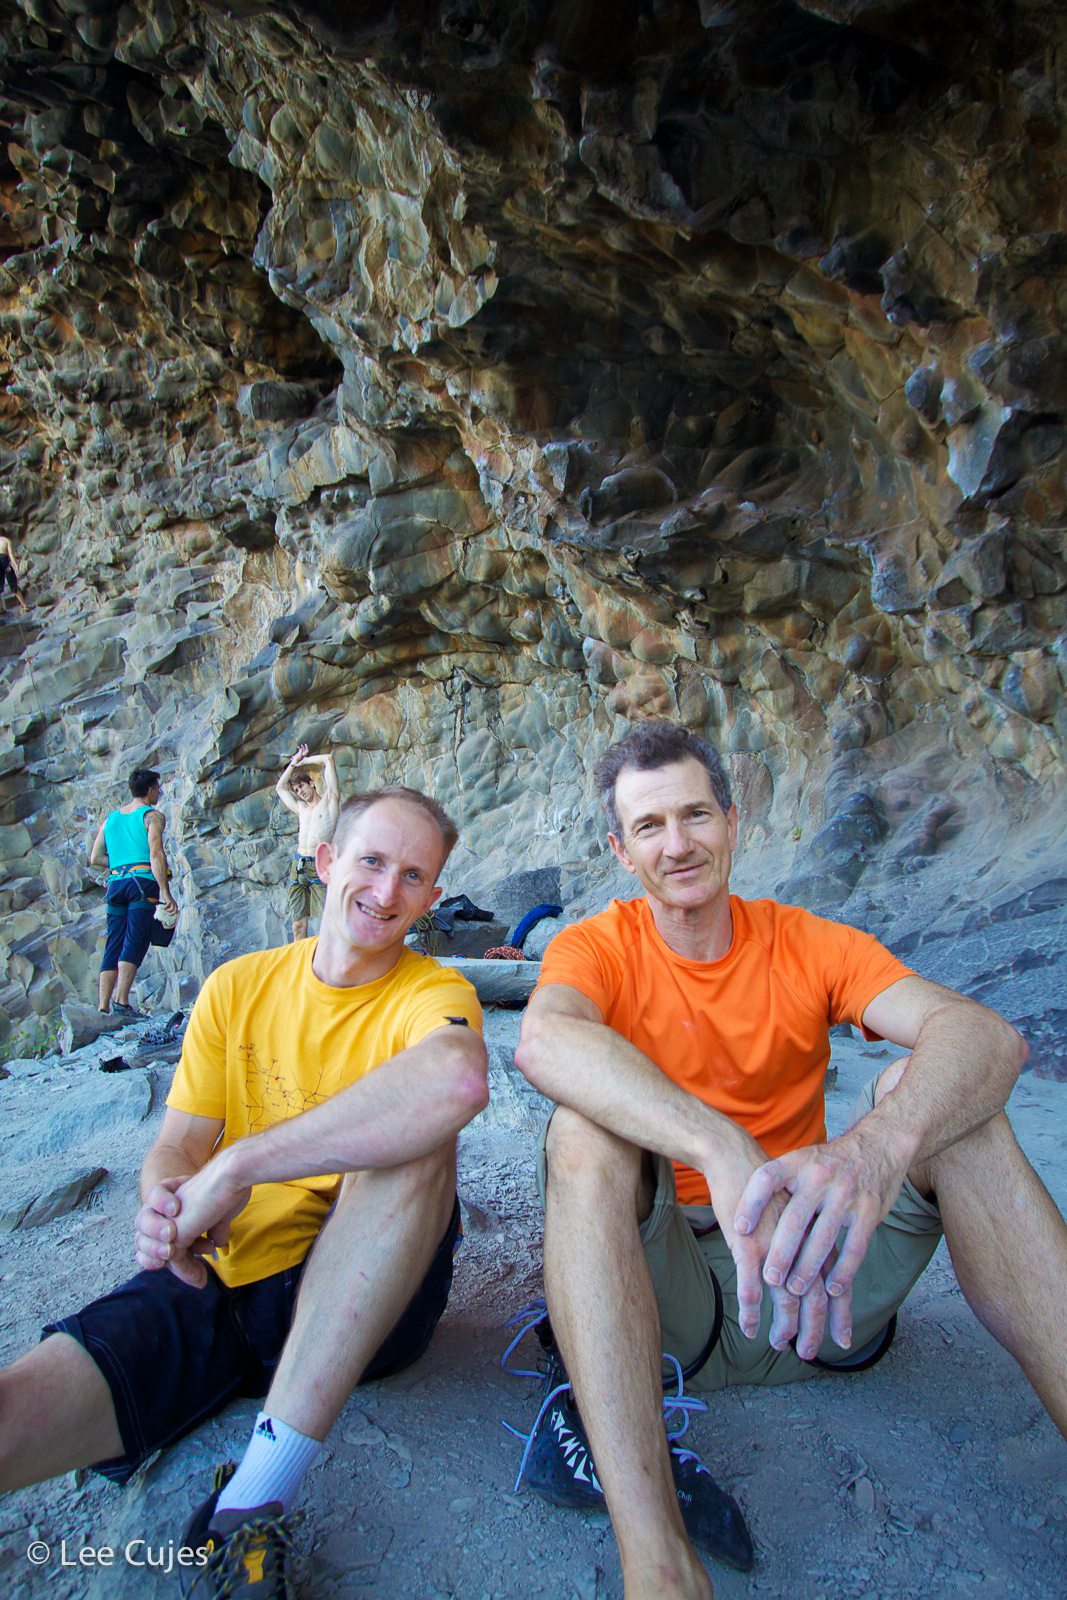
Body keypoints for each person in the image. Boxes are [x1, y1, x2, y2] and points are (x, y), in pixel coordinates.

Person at [514, 720, 1067, 1600]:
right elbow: (543, 1043)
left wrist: (875, 1148)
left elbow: (984, 1039)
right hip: (673, 1310)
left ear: (734, 823)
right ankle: (656, 1564)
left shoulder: (807, 942)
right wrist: (719, 1145)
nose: (678, 843)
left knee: (954, 1112)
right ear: (620, 851)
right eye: (649, 827)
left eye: (695, 815)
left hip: (823, 1278)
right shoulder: (598, 946)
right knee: (580, 1132)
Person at [0, 785, 488, 1599]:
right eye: (370, 861)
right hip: (217, 1276)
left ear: (432, 898)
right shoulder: (238, 985)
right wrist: (166, 1202)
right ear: (326, 860)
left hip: (360, 1290)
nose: (385, 891)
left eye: (412, 876)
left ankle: (254, 1495)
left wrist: (240, 1166)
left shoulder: (430, 994)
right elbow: (181, 1145)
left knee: (416, 1145)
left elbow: (458, 1079)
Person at [89, 767, 179, 1016]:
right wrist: (165, 892)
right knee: (136, 940)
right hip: (142, 883)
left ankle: (103, 1006)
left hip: (116, 883)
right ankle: (122, 1003)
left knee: (114, 942)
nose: (158, 793)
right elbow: (155, 854)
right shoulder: (152, 816)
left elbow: (95, 857)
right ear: (150, 790)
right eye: (157, 789)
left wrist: (120, 863)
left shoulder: (111, 819)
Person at [276, 742, 341, 940]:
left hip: (318, 866)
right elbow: (280, 788)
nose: (300, 792)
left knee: (326, 925)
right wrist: (293, 764)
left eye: (301, 786)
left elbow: (328, 759)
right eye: (296, 790)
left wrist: (304, 760)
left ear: (312, 783)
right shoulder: (301, 809)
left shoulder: (330, 801)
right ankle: (300, 967)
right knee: (297, 926)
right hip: (298, 866)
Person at [0, 533, 27, 610]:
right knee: (13, 582)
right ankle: (24, 605)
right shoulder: (6, 540)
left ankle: (0, 609)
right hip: (4, 560)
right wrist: (16, 565)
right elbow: (11, 554)